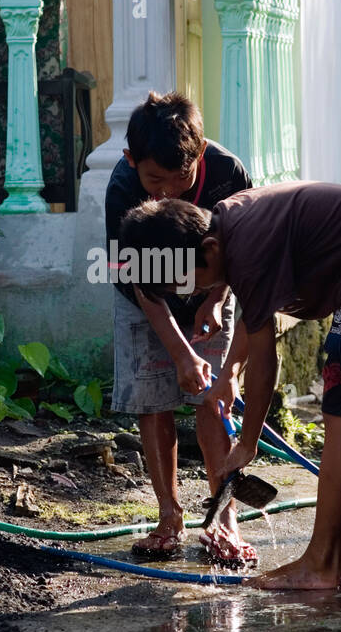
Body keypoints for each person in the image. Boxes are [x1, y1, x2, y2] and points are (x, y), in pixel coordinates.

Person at [117, 181, 341, 590]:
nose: (192, 293)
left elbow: (265, 358)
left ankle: (320, 564)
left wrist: (247, 443)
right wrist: (229, 373)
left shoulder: (246, 247)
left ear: (210, 250)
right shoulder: (231, 230)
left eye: (189, 282)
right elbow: (253, 330)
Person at [105, 92, 253, 563]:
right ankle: (169, 515)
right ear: (132, 161)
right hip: (145, 297)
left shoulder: (228, 173)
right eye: (155, 179)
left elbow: (239, 252)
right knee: (153, 400)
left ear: (201, 151)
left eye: (181, 177)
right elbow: (137, 280)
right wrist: (179, 350)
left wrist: (215, 299)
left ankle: (223, 518)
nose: (167, 189)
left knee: (214, 399)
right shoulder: (123, 186)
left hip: (214, 288)